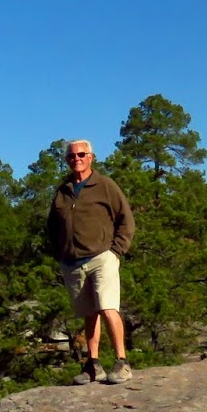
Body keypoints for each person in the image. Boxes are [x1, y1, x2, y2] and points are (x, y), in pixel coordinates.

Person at [46, 139, 135, 384]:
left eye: (82, 154)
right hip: (72, 262)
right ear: (67, 160)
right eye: (72, 156)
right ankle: (93, 365)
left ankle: (122, 362)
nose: (77, 159)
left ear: (91, 157)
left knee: (107, 307)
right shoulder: (63, 190)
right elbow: (52, 226)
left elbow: (126, 220)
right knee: (89, 313)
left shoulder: (105, 185)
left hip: (102, 257)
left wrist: (116, 250)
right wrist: (60, 253)